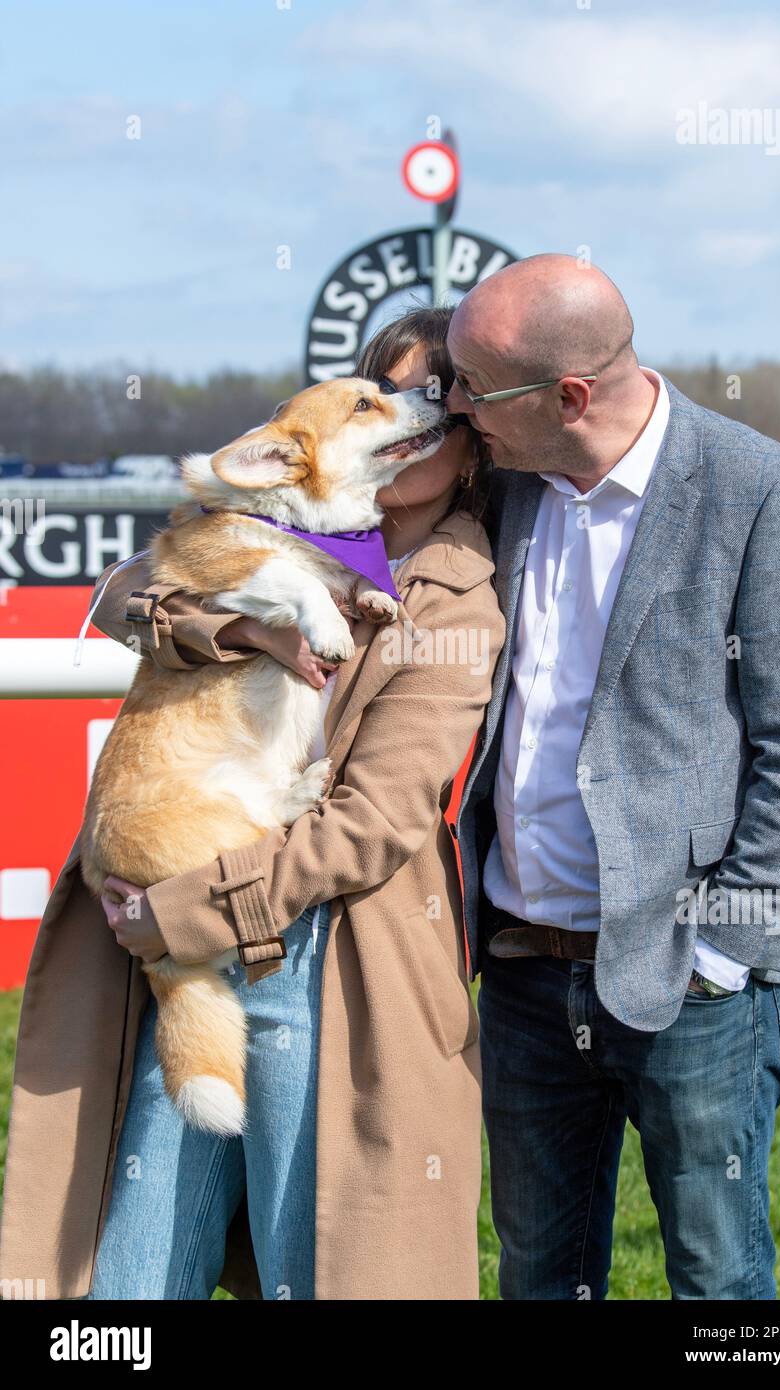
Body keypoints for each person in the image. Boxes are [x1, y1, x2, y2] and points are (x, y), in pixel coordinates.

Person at [0, 308, 506, 1301]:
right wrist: (240, 628)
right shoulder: (259, 534)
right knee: (132, 1280)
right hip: (193, 917)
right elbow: (119, 593)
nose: (411, 421)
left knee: (315, 1266)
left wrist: (186, 911)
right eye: (382, 398)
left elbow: (375, 820)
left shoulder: (458, 595)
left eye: (434, 411)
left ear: (472, 445)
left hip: (323, 957)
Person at [445, 254, 780, 1300]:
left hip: (692, 986)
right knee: (540, 1277)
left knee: (718, 1282)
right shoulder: (501, 482)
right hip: (523, 974)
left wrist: (721, 951)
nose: (454, 411)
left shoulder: (762, 492)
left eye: (470, 389)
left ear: (567, 397)